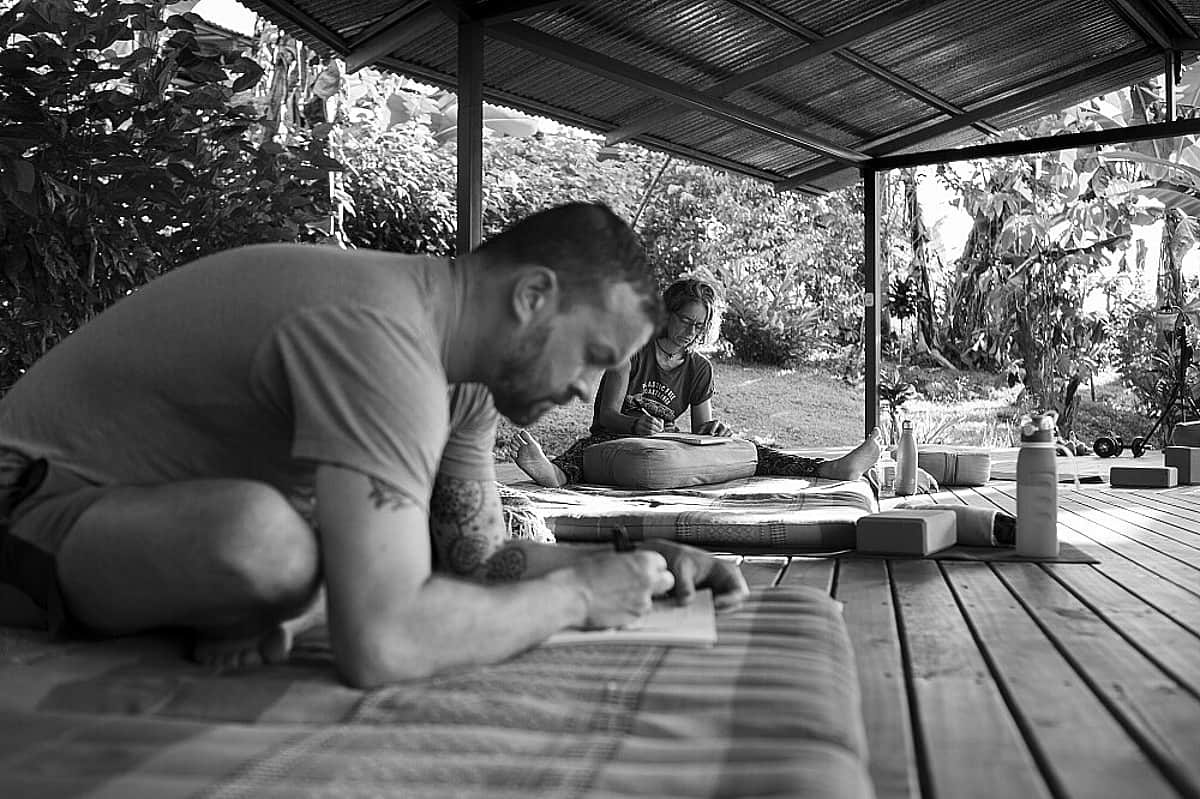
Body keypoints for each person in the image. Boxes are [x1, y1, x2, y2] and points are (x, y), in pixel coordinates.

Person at [0, 202, 749, 688]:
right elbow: (383, 646)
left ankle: (256, 603)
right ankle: (262, 600)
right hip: (28, 505)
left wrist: (630, 565)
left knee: (311, 554)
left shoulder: (472, 374)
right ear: (531, 299)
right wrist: (577, 597)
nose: (590, 391)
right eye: (591, 354)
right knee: (269, 547)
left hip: (140, 519)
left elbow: (475, 558)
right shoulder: (383, 336)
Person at [514, 277, 921, 490]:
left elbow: (699, 428)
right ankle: (553, 474)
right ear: (666, 315)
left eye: (700, 325)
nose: (692, 330)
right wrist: (634, 426)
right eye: (686, 320)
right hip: (614, 441)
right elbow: (605, 416)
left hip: (670, 447)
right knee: (584, 453)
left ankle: (829, 469)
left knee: (748, 450)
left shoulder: (699, 369)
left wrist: (712, 431)